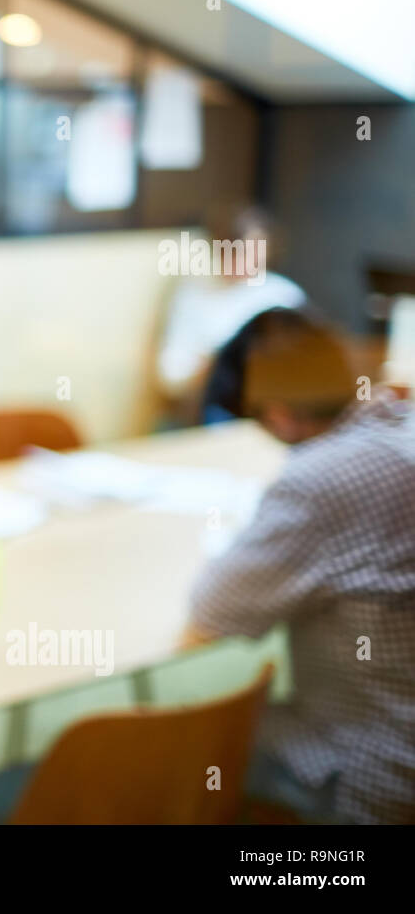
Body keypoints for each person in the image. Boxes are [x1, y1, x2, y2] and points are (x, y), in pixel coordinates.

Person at [180, 307, 415, 824]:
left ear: (281, 413)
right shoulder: (402, 426)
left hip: (372, 770)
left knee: (186, 746)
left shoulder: (321, 480)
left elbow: (212, 616)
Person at [155, 204, 308, 426]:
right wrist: (205, 370)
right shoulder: (195, 292)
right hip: (211, 408)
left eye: (255, 253)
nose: (246, 262)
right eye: (237, 252)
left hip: (272, 411)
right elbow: (169, 374)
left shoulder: (284, 296)